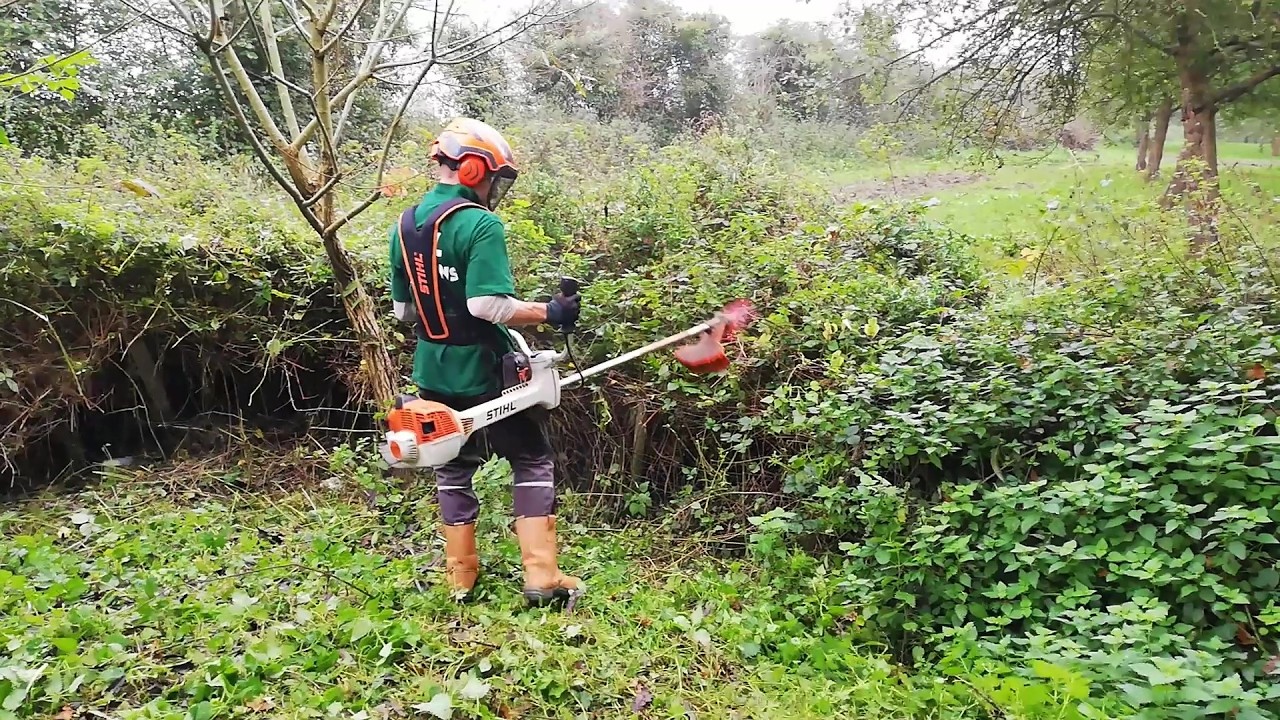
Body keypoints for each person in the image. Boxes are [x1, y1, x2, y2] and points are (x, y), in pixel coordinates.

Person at [387, 117, 583, 606]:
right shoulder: (479, 223)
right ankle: (542, 577)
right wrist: (549, 311)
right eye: (495, 176)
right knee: (531, 458)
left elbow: (403, 311)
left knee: (452, 465)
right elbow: (486, 306)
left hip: (431, 366)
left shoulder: (406, 223)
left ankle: (461, 576)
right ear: (475, 169)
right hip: (486, 367)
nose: (496, 188)